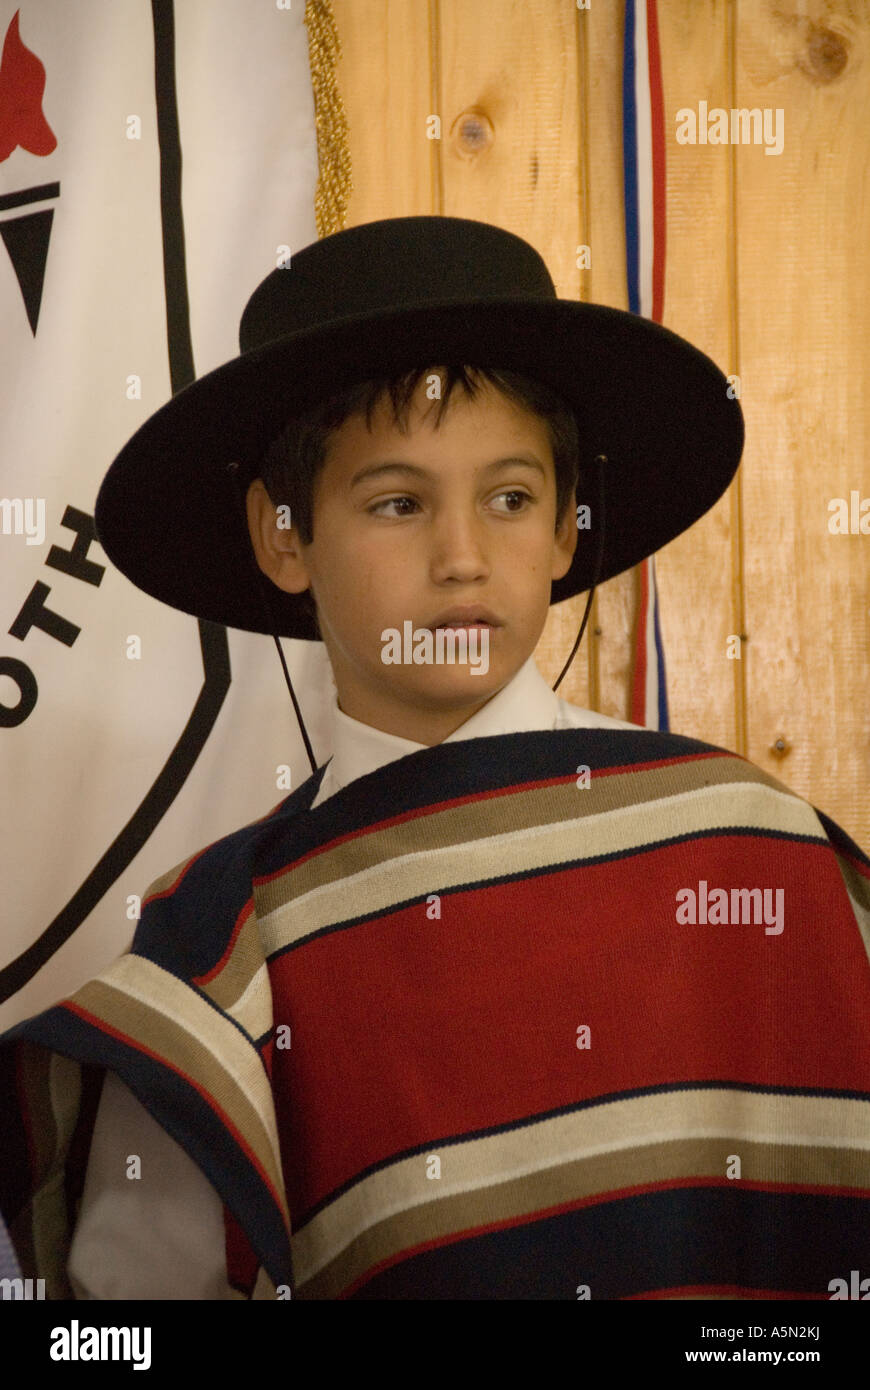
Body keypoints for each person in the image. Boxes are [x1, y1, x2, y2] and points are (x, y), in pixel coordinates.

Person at [1, 217, 868, 1301]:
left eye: (511, 498)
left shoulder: (751, 852)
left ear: (565, 530)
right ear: (283, 536)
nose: (464, 558)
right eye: (399, 503)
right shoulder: (225, 951)